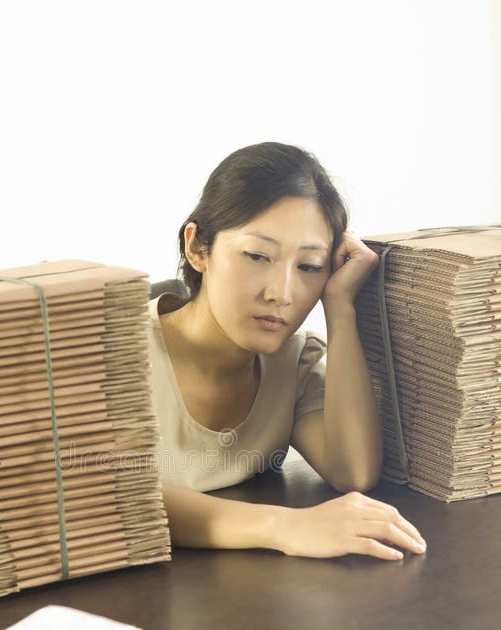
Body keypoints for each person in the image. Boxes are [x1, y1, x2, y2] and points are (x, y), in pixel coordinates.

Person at [148, 142, 426, 561]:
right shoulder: (114, 356)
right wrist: (285, 526)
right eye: (257, 255)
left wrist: (340, 307)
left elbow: (353, 469)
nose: (281, 294)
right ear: (197, 248)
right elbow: (108, 494)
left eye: (309, 267)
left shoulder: (291, 364)